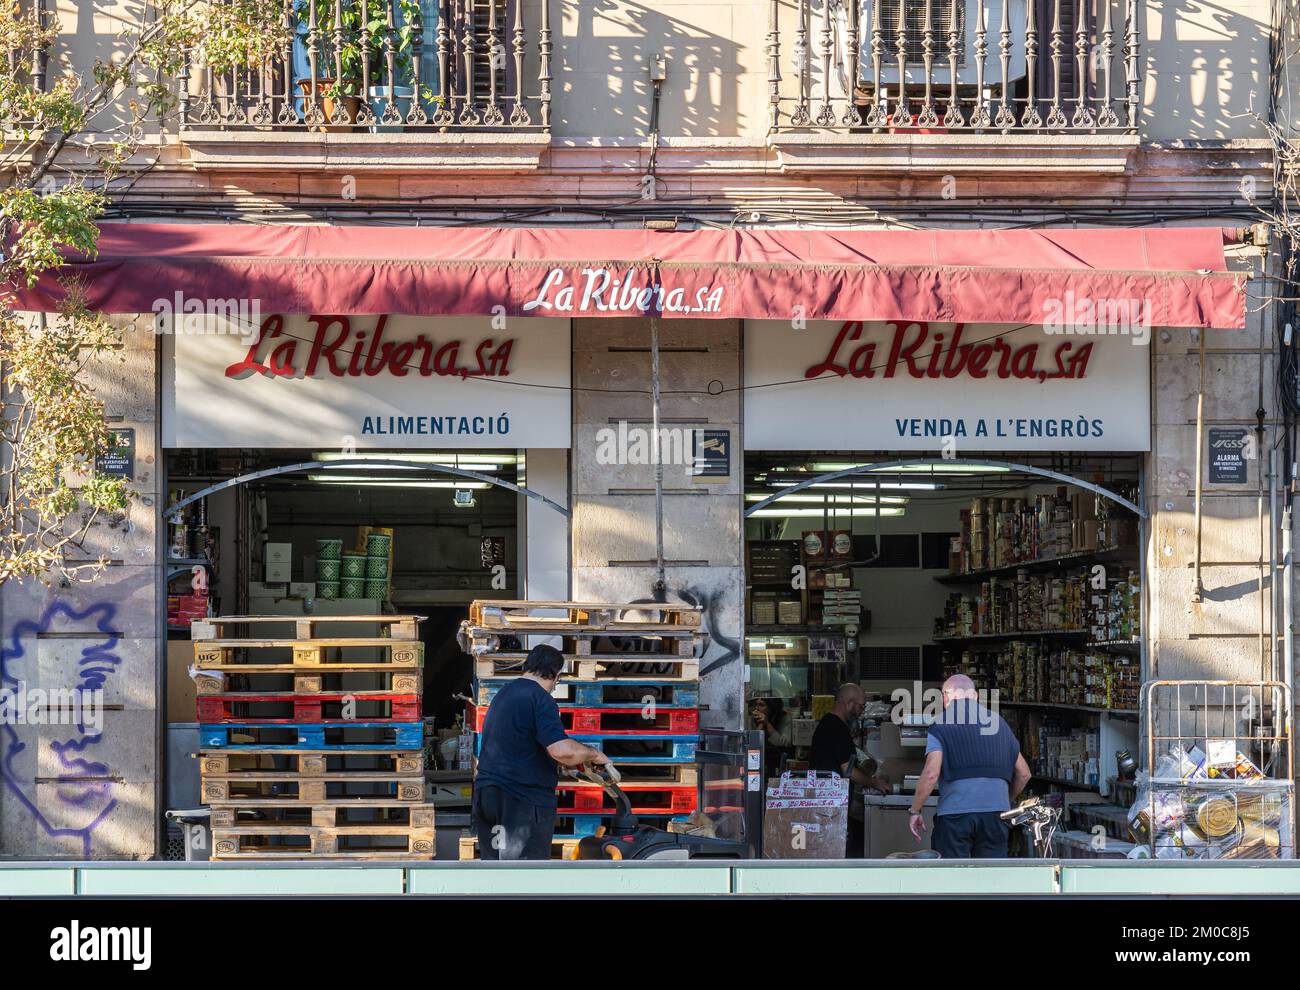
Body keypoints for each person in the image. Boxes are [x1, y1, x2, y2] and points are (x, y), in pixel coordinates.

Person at [473, 643, 613, 860]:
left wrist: (568, 770)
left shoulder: (505, 694)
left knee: (495, 869)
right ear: (555, 675)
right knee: (526, 876)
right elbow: (560, 749)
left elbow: (519, 744)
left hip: (488, 797)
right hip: (521, 801)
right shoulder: (540, 698)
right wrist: (593, 754)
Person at [907, 674, 1033, 859]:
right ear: (975, 696)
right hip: (996, 816)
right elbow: (1024, 774)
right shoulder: (999, 723)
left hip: (955, 816)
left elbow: (931, 774)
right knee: (991, 878)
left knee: (951, 879)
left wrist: (915, 810)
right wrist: (1003, 801)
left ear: (946, 697)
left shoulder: (941, 725)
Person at [808, 683, 890, 794]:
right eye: (861, 706)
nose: (862, 711)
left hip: (827, 796)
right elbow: (849, 771)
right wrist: (874, 783)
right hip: (830, 799)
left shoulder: (830, 723)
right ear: (850, 704)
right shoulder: (836, 728)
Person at [751, 696, 793, 772]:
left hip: (779, 762)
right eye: (756, 705)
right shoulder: (755, 719)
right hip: (761, 760)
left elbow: (784, 743)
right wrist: (760, 725)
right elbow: (753, 744)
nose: (757, 708)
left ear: (771, 707)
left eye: (761, 705)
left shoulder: (785, 718)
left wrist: (767, 724)